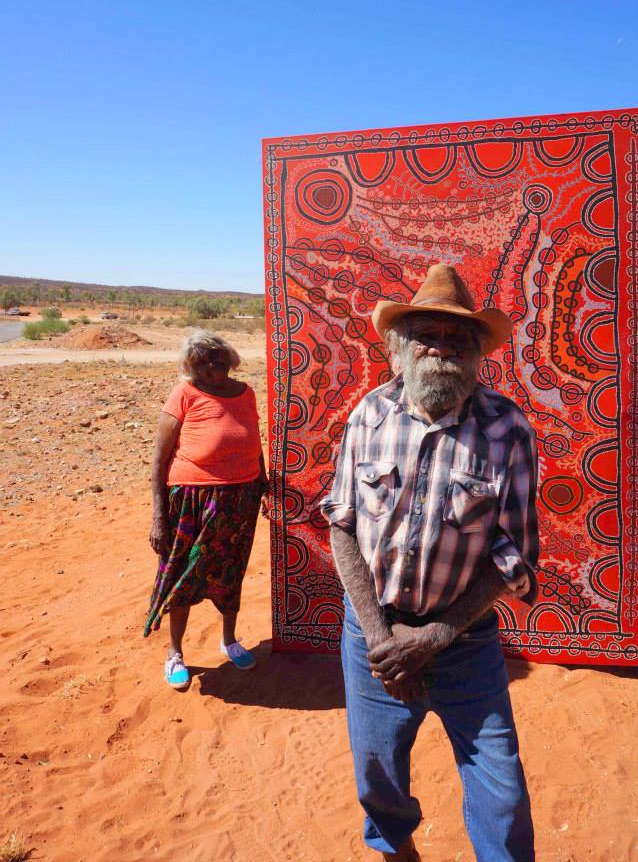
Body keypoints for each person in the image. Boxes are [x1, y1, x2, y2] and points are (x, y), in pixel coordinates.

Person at [321, 264, 539, 862]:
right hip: (373, 633)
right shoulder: (368, 414)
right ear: (399, 349)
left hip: (464, 639)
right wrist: (380, 637)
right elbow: (342, 525)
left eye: (457, 339)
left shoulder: (508, 429)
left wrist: (436, 636)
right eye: (427, 336)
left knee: (503, 791)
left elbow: (516, 556)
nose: (441, 349)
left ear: (477, 355)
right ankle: (395, 852)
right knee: (378, 773)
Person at [143, 329, 268, 689]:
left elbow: (254, 439)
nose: (212, 369)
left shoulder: (245, 393)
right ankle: (175, 652)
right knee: (182, 574)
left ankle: (229, 640)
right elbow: (158, 459)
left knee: (231, 572)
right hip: (191, 501)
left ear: (229, 359)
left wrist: (263, 482)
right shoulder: (185, 394)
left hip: (240, 499)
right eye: (201, 364)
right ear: (192, 368)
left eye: (216, 360)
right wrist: (158, 516)